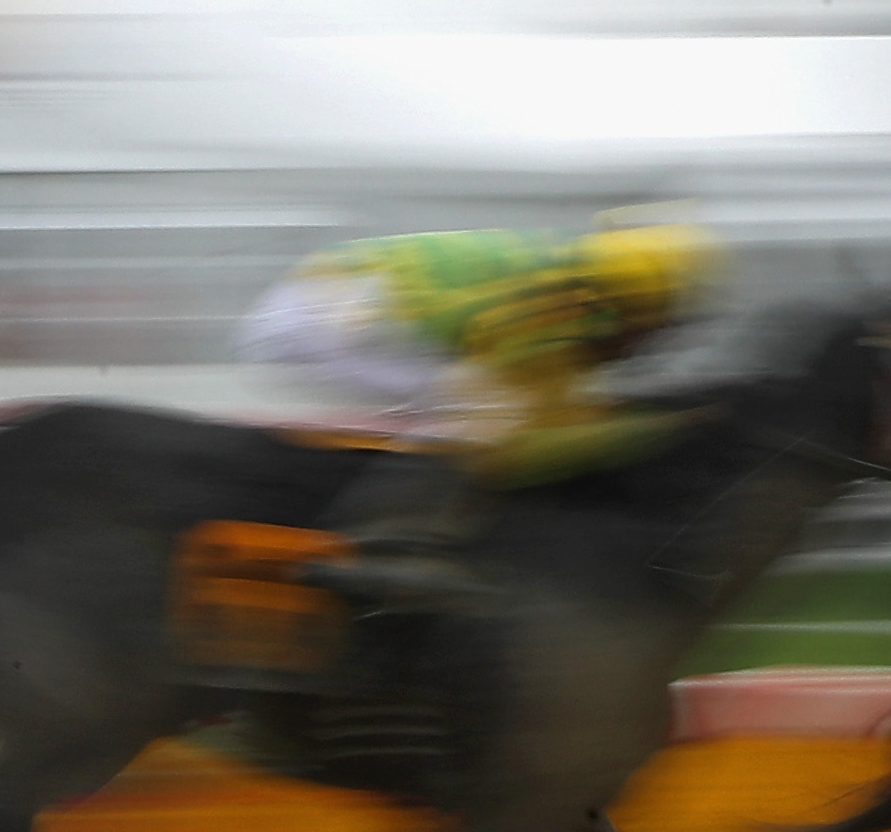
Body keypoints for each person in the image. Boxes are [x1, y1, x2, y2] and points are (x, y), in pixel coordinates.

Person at [236, 219, 727, 617]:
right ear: (629, 305)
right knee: (475, 421)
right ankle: (384, 549)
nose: (652, 344)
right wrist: (654, 429)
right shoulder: (548, 310)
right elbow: (522, 446)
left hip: (338, 295)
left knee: (475, 402)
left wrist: (626, 424)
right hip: (323, 314)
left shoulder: (574, 282)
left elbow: (561, 406)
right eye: (656, 327)